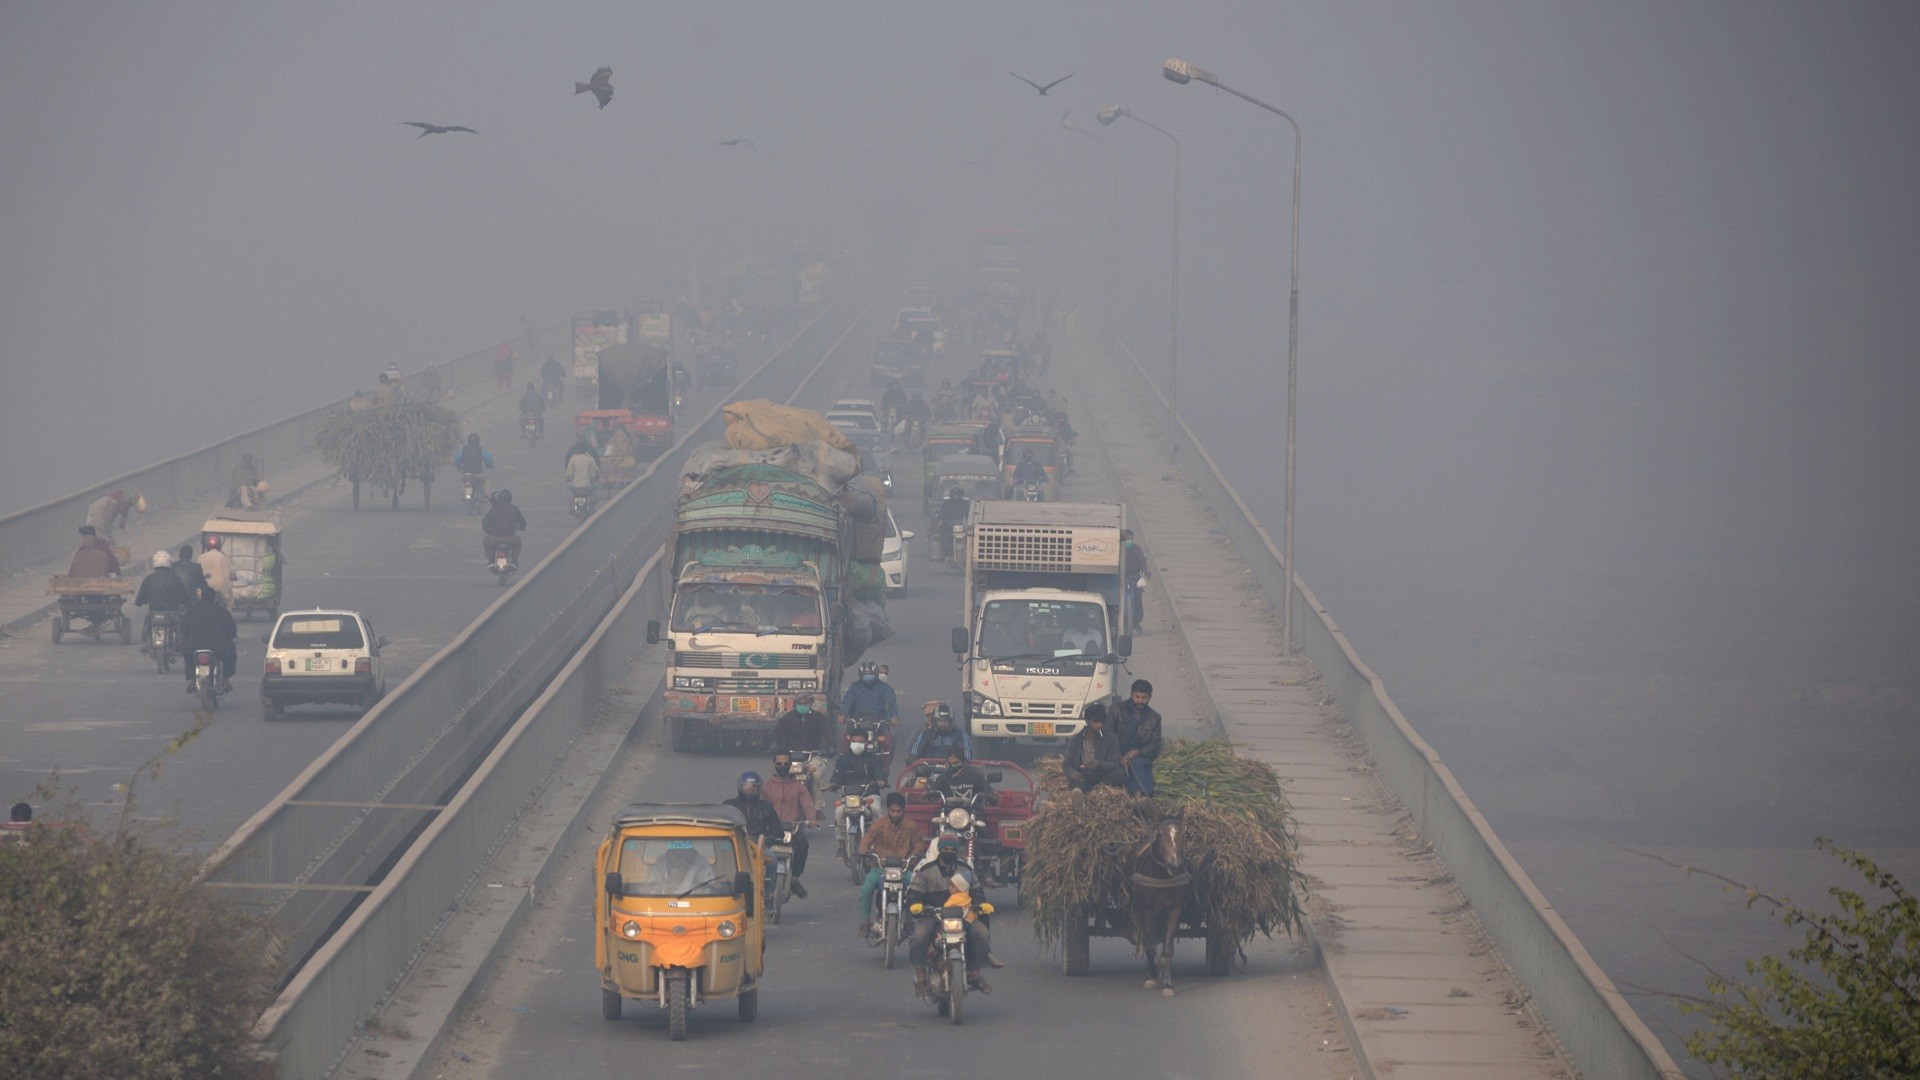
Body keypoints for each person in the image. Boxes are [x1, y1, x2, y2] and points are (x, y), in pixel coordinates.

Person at [906, 837, 993, 994]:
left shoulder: (967, 871)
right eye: (946, 850)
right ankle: (921, 978)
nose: (949, 853)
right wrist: (915, 903)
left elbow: (978, 892)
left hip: (963, 915)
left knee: (982, 933)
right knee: (918, 935)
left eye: (953, 850)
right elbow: (914, 892)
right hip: (933, 915)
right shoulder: (926, 871)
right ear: (940, 850)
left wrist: (982, 904)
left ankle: (975, 975)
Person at [857, 792, 924, 935]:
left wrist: (914, 856)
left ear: (903, 811)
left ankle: (909, 920)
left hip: (904, 869)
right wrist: (863, 850)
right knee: (866, 889)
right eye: (892, 811)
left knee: (916, 889)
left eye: (899, 811)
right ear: (888, 810)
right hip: (880, 868)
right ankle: (865, 921)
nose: (895, 814)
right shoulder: (878, 824)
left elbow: (918, 845)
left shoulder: (911, 826)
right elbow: (866, 840)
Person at [762, 751, 815, 898]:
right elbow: (760, 805)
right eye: (779, 764)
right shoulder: (766, 786)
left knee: (803, 845)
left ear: (790, 765)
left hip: (792, 829)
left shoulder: (798, 786)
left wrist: (811, 818)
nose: (782, 766)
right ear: (774, 765)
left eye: (786, 764)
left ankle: (794, 879)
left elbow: (808, 804)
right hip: (771, 830)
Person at [829, 733, 888, 858]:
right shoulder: (843, 759)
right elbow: (837, 775)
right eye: (854, 741)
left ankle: (880, 843)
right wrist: (834, 783)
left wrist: (881, 780)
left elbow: (879, 772)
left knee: (876, 810)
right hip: (849, 797)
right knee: (839, 812)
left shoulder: (873, 758)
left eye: (860, 741)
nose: (857, 744)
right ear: (850, 742)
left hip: (869, 795)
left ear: (866, 743)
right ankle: (841, 846)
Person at [179, 585, 237, 693]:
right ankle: (225, 679)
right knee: (231, 651)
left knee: (188, 655)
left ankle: (192, 679)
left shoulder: (192, 611)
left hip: (194, 647)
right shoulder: (222, 611)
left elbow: (183, 629)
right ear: (214, 598)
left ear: (201, 597)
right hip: (219, 648)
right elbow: (232, 631)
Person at [1113, 679, 1164, 797]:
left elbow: (1156, 745)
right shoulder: (1116, 710)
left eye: (1144, 698)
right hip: (1116, 753)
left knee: (1140, 767)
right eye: (1137, 697)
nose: (1140, 701)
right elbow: (1107, 735)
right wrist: (1116, 755)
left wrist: (1138, 752)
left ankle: (1139, 797)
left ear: (1150, 697)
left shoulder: (1154, 718)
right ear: (1131, 695)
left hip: (1139, 757)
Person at [134, 551, 191, 652]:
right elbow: (183, 595)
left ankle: (149, 642)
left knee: (147, 625)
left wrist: (140, 602)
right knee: (180, 631)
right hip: (173, 613)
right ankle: (179, 644)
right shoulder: (175, 579)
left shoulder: (149, 579)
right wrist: (187, 603)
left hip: (154, 612)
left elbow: (140, 598)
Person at [1061, 704, 1125, 792]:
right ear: (1087, 721)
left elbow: (1114, 764)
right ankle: (1079, 794)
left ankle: (1095, 791)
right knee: (1076, 783)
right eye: (1096, 721)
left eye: (1102, 722)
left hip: (1102, 778)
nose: (1100, 725)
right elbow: (1067, 764)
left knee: (1119, 773)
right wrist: (1075, 774)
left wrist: (1099, 763)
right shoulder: (1076, 740)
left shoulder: (1111, 738)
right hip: (1082, 776)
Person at [841, 661, 898, 731]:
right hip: (857, 723)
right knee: (844, 739)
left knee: (888, 739)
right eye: (865, 676)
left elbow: (891, 702)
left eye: (871, 675)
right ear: (861, 675)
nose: (868, 678)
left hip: (878, 724)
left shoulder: (884, 688)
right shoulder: (854, 687)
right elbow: (847, 702)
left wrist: (894, 717)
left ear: (876, 675)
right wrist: (842, 714)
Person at [929, 746, 998, 805]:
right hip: (949, 813)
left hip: (973, 813)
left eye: (955, 763)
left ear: (964, 762)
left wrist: (990, 794)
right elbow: (933, 790)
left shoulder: (975, 776)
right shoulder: (943, 778)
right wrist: (929, 793)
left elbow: (987, 789)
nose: (952, 766)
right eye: (950, 763)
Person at [907, 703, 972, 762]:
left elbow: (967, 749)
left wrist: (967, 761)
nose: (943, 723)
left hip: (952, 769)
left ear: (950, 721)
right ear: (934, 720)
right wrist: (912, 757)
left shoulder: (959, 734)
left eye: (945, 721)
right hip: (928, 769)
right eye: (940, 721)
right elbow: (916, 745)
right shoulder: (926, 734)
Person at [643, 843, 714, 894]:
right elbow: (653, 887)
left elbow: (707, 888)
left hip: (696, 903)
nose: (679, 848)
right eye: (676, 843)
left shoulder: (700, 861)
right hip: (664, 902)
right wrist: (664, 885)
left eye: (682, 844)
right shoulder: (661, 861)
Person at [481, 490, 526, 565]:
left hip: (495, 539)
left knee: (486, 540)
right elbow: (522, 523)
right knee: (518, 542)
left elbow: (485, 522)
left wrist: (489, 531)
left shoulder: (494, 508)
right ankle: (514, 560)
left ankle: (492, 559)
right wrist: (522, 528)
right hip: (511, 538)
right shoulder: (514, 508)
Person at [1122, 529, 1150, 633]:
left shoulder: (1136, 549)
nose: (1129, 540)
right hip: (1121, 578)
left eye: (1130, 538)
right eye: (1127, 539)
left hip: (1135, 578)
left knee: (1137, 598)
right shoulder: (1119, 549)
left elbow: (1142, 561)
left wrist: (1146, 571)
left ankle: (1136, 622)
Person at [935, 486, 970, 560]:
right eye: (954, 494)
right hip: (949, 526)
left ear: (961, 495)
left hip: (963, 526)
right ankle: (947, 553)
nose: (955, 496)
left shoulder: (966, 504)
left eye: (957, 494)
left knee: (971, 537)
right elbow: (941, 515)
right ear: (950, 495)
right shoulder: (945, 504)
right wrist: (942, 520)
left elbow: (969, 515)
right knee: (945, 536)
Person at [455, 434, 493, 501]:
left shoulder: (463, 450)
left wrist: (459, 467)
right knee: (486, 480)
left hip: (467, 474)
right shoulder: (481, 450)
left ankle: (466, 494)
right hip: (478, 474)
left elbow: (457, 460)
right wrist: (489, 465)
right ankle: (486, 495)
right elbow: (488, 459)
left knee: (463, 481)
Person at [197, 535, 233, 602]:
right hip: (221, 590)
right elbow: (233, 575)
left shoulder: (201, 557)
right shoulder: (224, 557)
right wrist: (234, 578)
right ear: (219, 545)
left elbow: (196, 573)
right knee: (229, 598)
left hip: (204, 588)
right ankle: (228, 611)